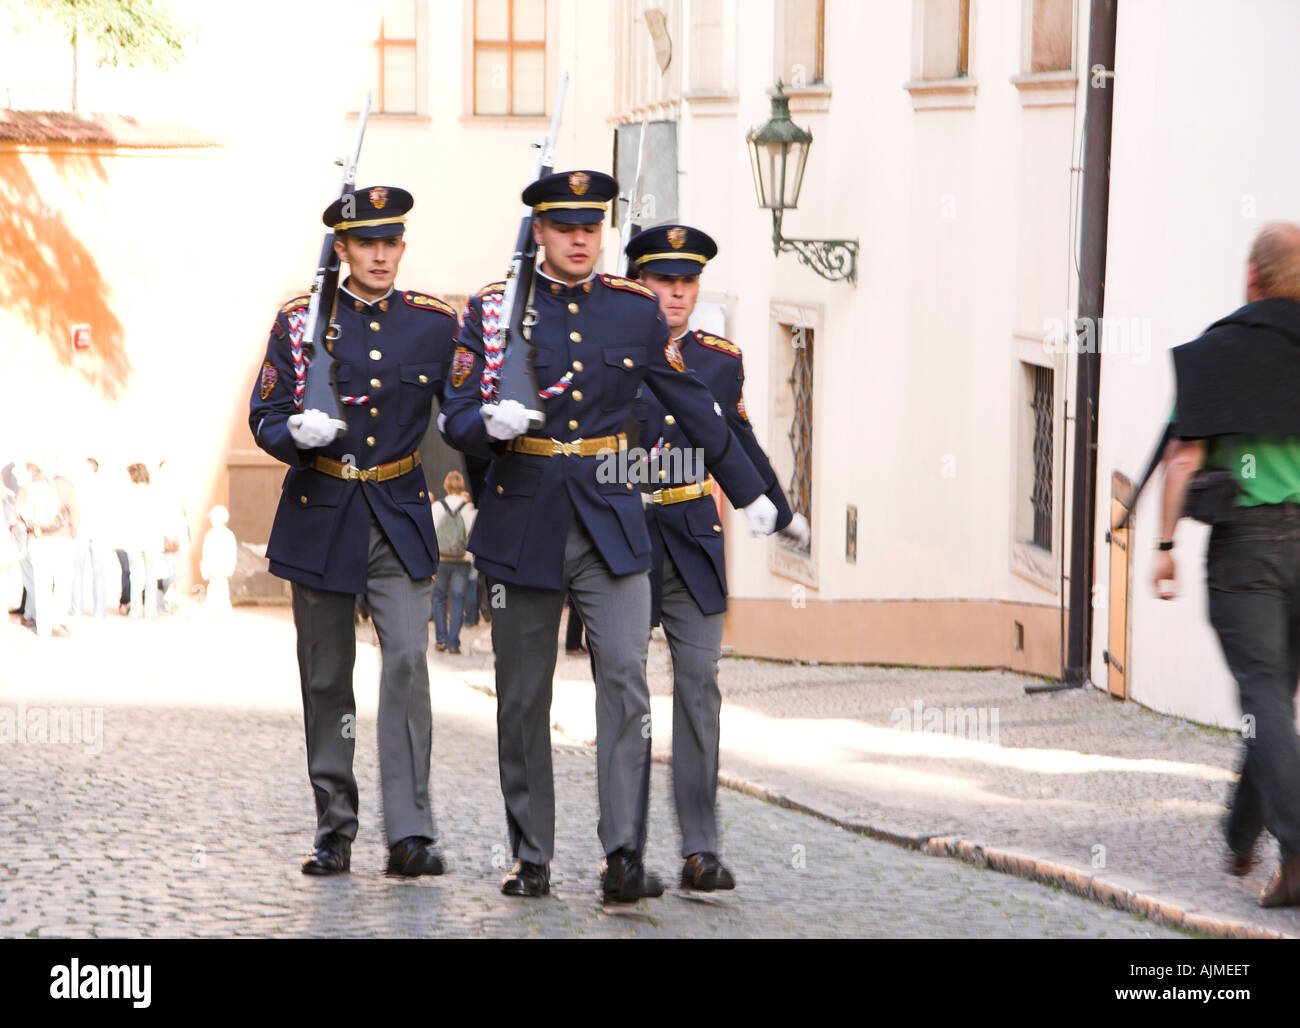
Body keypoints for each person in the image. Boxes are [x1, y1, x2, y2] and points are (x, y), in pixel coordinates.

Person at [440, 169, 779, 902]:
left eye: (591, 228)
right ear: (540, 232)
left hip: (611, 515)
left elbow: (694, 406)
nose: (581, 240)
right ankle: (532, 855)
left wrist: (751, 493)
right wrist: (485, 428)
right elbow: (454, 414)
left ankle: (623, 853)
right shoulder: (494, 311)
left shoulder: (633, 312)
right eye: (566, 228)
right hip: (523, 514)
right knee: (523, 695)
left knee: (624, 677)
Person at [249, 185, 458, 878]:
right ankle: (335, 825)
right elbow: (267, 412)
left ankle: (410, 831)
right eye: (364, 243)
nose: (378, 255)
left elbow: (459, 414)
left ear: (402, 247)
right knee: (326, 679)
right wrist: (294, 436)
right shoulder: (301, 319)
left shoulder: (432, 324)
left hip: (398, 513)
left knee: (405, 661)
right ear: (341, 250)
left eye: (389, 242)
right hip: (322, 513)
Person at [624, 224, 810, 891]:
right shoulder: (615, 351)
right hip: (626, 530)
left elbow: (739, 440)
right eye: (662, 281)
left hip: (695, 534)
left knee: (699, 689)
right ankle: (627, 850)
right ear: (639, 282)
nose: (676, 295)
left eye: (687, 283)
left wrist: (778, 508)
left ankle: (700, 848)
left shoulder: (718, 359)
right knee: (628, 694)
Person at [1152, 221, 1300, 908]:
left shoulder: (1219, 354)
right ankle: (1242, 838)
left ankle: (1296, 851)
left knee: (1264, 694)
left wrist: (1163, 549)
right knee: (1269, 697)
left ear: (1252, 278)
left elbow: (1182, 457)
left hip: (1248, 548)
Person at [16, 460, 80, 638]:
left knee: (41, 583)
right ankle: (58, 622)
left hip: (37, 540)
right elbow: (75, 512)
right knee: (62, 583)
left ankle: (42, 625)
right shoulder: (65, 486)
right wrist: (73, 531)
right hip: (62, 540)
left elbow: (18, 513)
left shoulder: (30, 487)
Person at [430, 469, 475, 654]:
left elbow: (431, 533)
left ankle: (440, 639)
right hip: (462, 559)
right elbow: (472, 534)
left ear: (446, 486)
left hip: (441, 559)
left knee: (439, 598)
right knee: (458, 600)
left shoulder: (437, 507)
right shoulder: (469, 508)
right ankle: (453, 642)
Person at [121, 462, 164, 620]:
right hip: (151, 539)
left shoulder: (129, 493)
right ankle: (150, 610)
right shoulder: (154, 492)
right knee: (151, 577)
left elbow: (125, 519)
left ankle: (136, 609)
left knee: (135, 576)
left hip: (134, 539)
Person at [200, 504, 237, 620]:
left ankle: (219, 614)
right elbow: (232, 554)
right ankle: (219, 614)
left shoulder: (211, 535)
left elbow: (206, 555)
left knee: (217, 593)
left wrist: (205, 569)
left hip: (216, 570)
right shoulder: (227, 535)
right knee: (220, 593)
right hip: (220, 571)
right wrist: (230, 569)